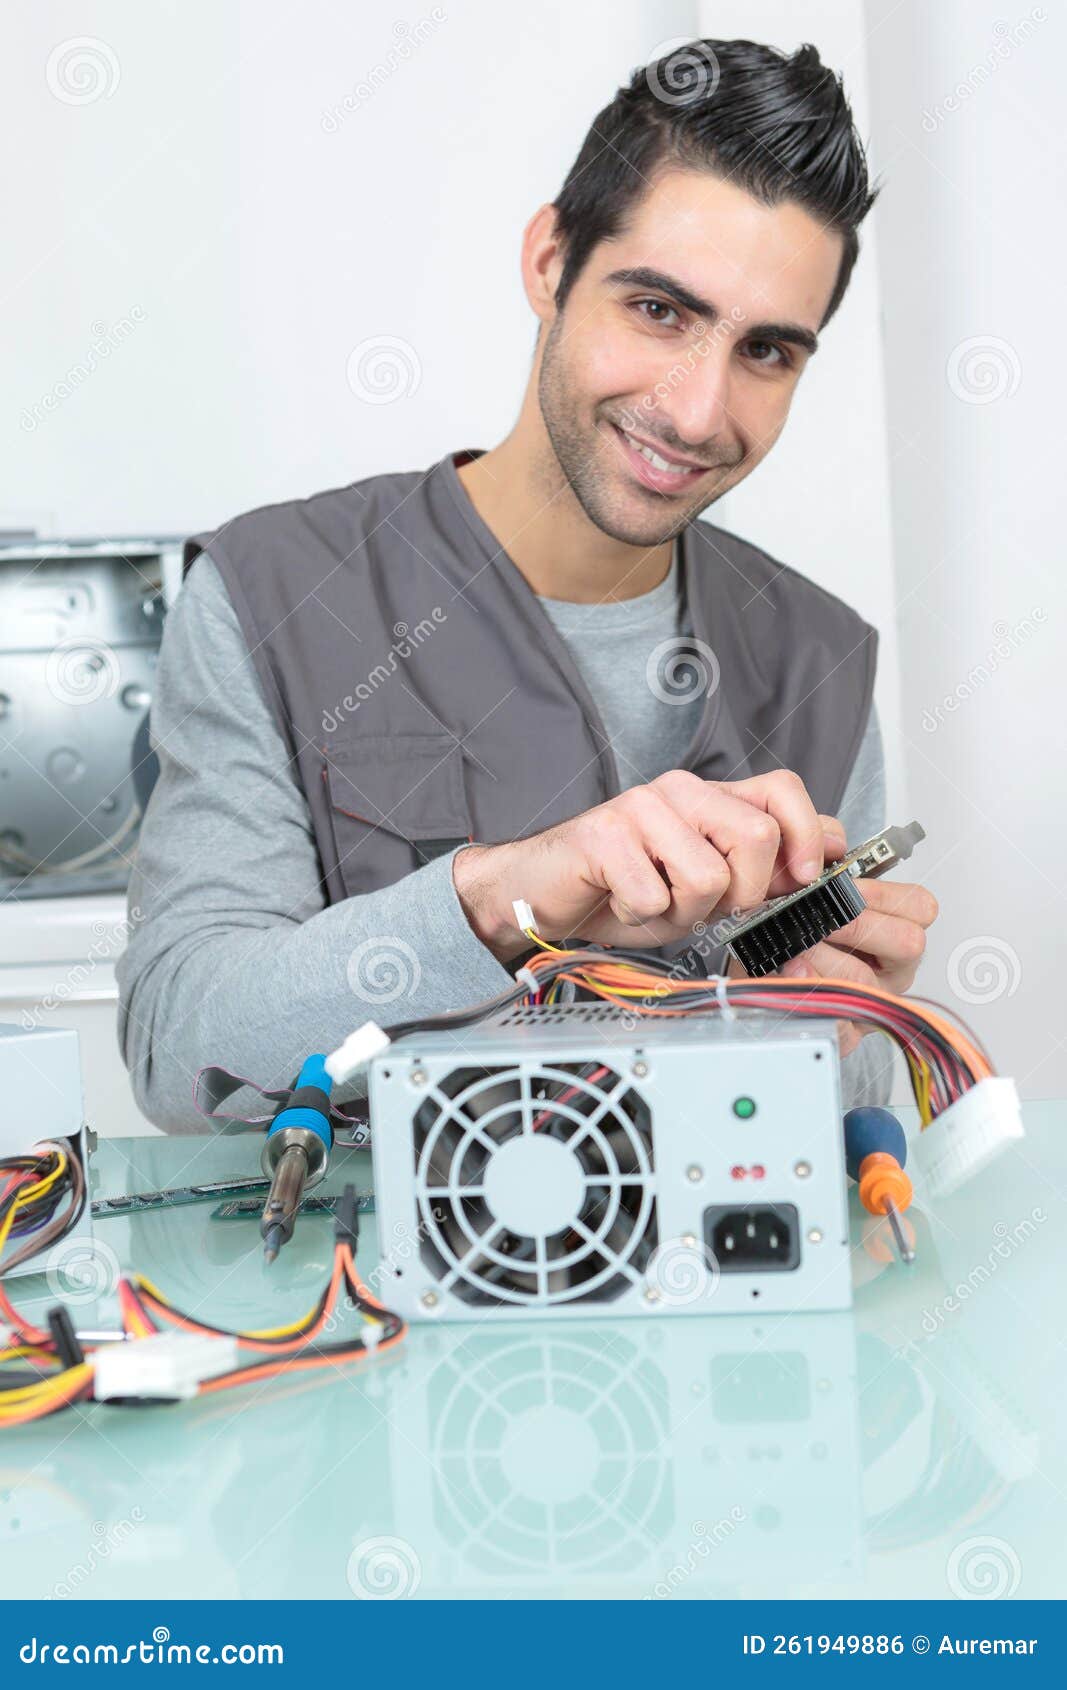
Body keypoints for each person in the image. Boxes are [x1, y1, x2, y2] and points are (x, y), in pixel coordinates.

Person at [117, 38, 938, 1131]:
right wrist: (496, 898)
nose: (697, 413)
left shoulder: (816, 660)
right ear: (549, 261)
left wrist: (843, 1033)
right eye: (659, 311)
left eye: (766, 353)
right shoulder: (273, 598)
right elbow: (184, 1058)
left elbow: (834, 1129)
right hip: (361, 1293)